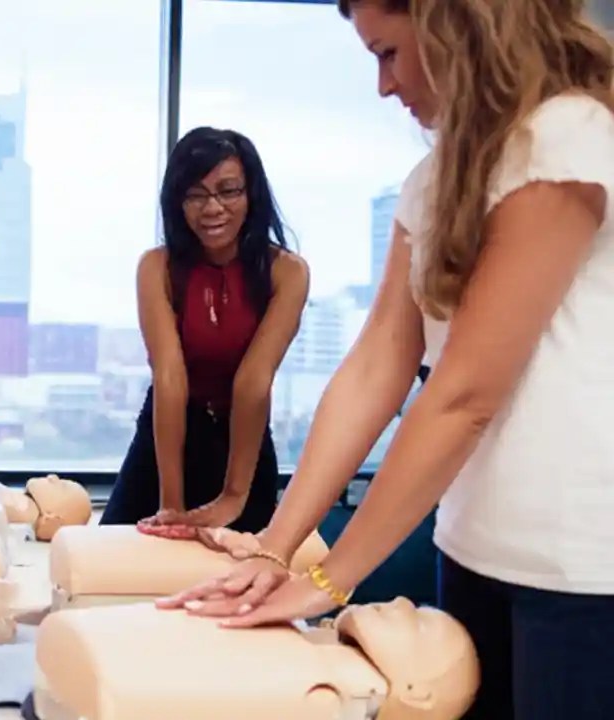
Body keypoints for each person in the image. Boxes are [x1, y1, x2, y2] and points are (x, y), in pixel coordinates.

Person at [159, 1, 614, 717]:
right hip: (472, 544)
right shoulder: (434, 180)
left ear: (458, 26)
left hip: (580, 568)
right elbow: (376, 366)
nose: (382, 86)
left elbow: (466, 393)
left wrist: (332, 580)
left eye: (388, 54)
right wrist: (275, 550)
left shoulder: (568, 139)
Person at [99, 127, 309, 533]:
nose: (212, 208)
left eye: (228, 191)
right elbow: (169, 378)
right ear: (178, 202)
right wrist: (171, 503)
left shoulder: (287, 272)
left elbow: (254, 381)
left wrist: (233, 496)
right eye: (195, 195)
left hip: (243, 438)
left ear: (251, 195)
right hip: (168, 431)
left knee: (246, 572)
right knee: (118, 552)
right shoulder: (155, 267)